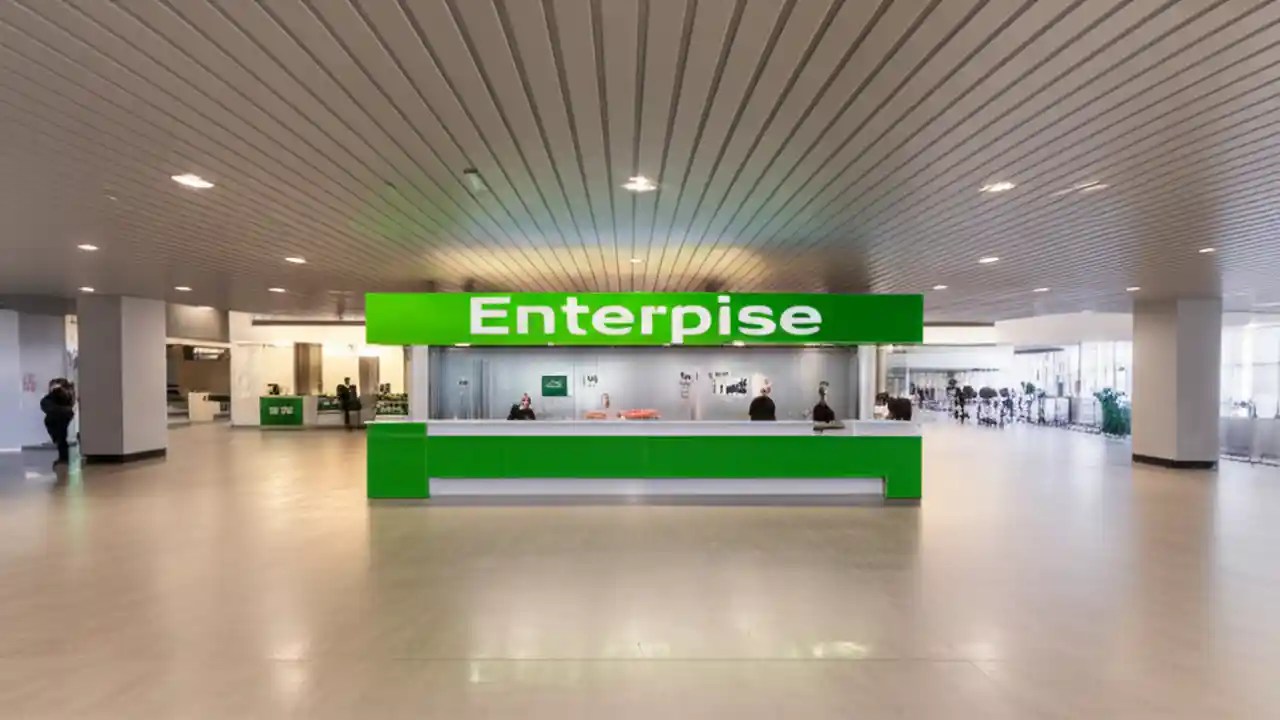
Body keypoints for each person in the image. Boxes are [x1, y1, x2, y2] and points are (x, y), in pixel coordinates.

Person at [40, 378, 75, 467]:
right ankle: (63, 457)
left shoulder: (62, 392)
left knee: (61, 437)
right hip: (60, 414)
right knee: (61, 437)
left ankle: (63, 458)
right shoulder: (65, 393)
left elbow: (46, 404)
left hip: (60, 415)